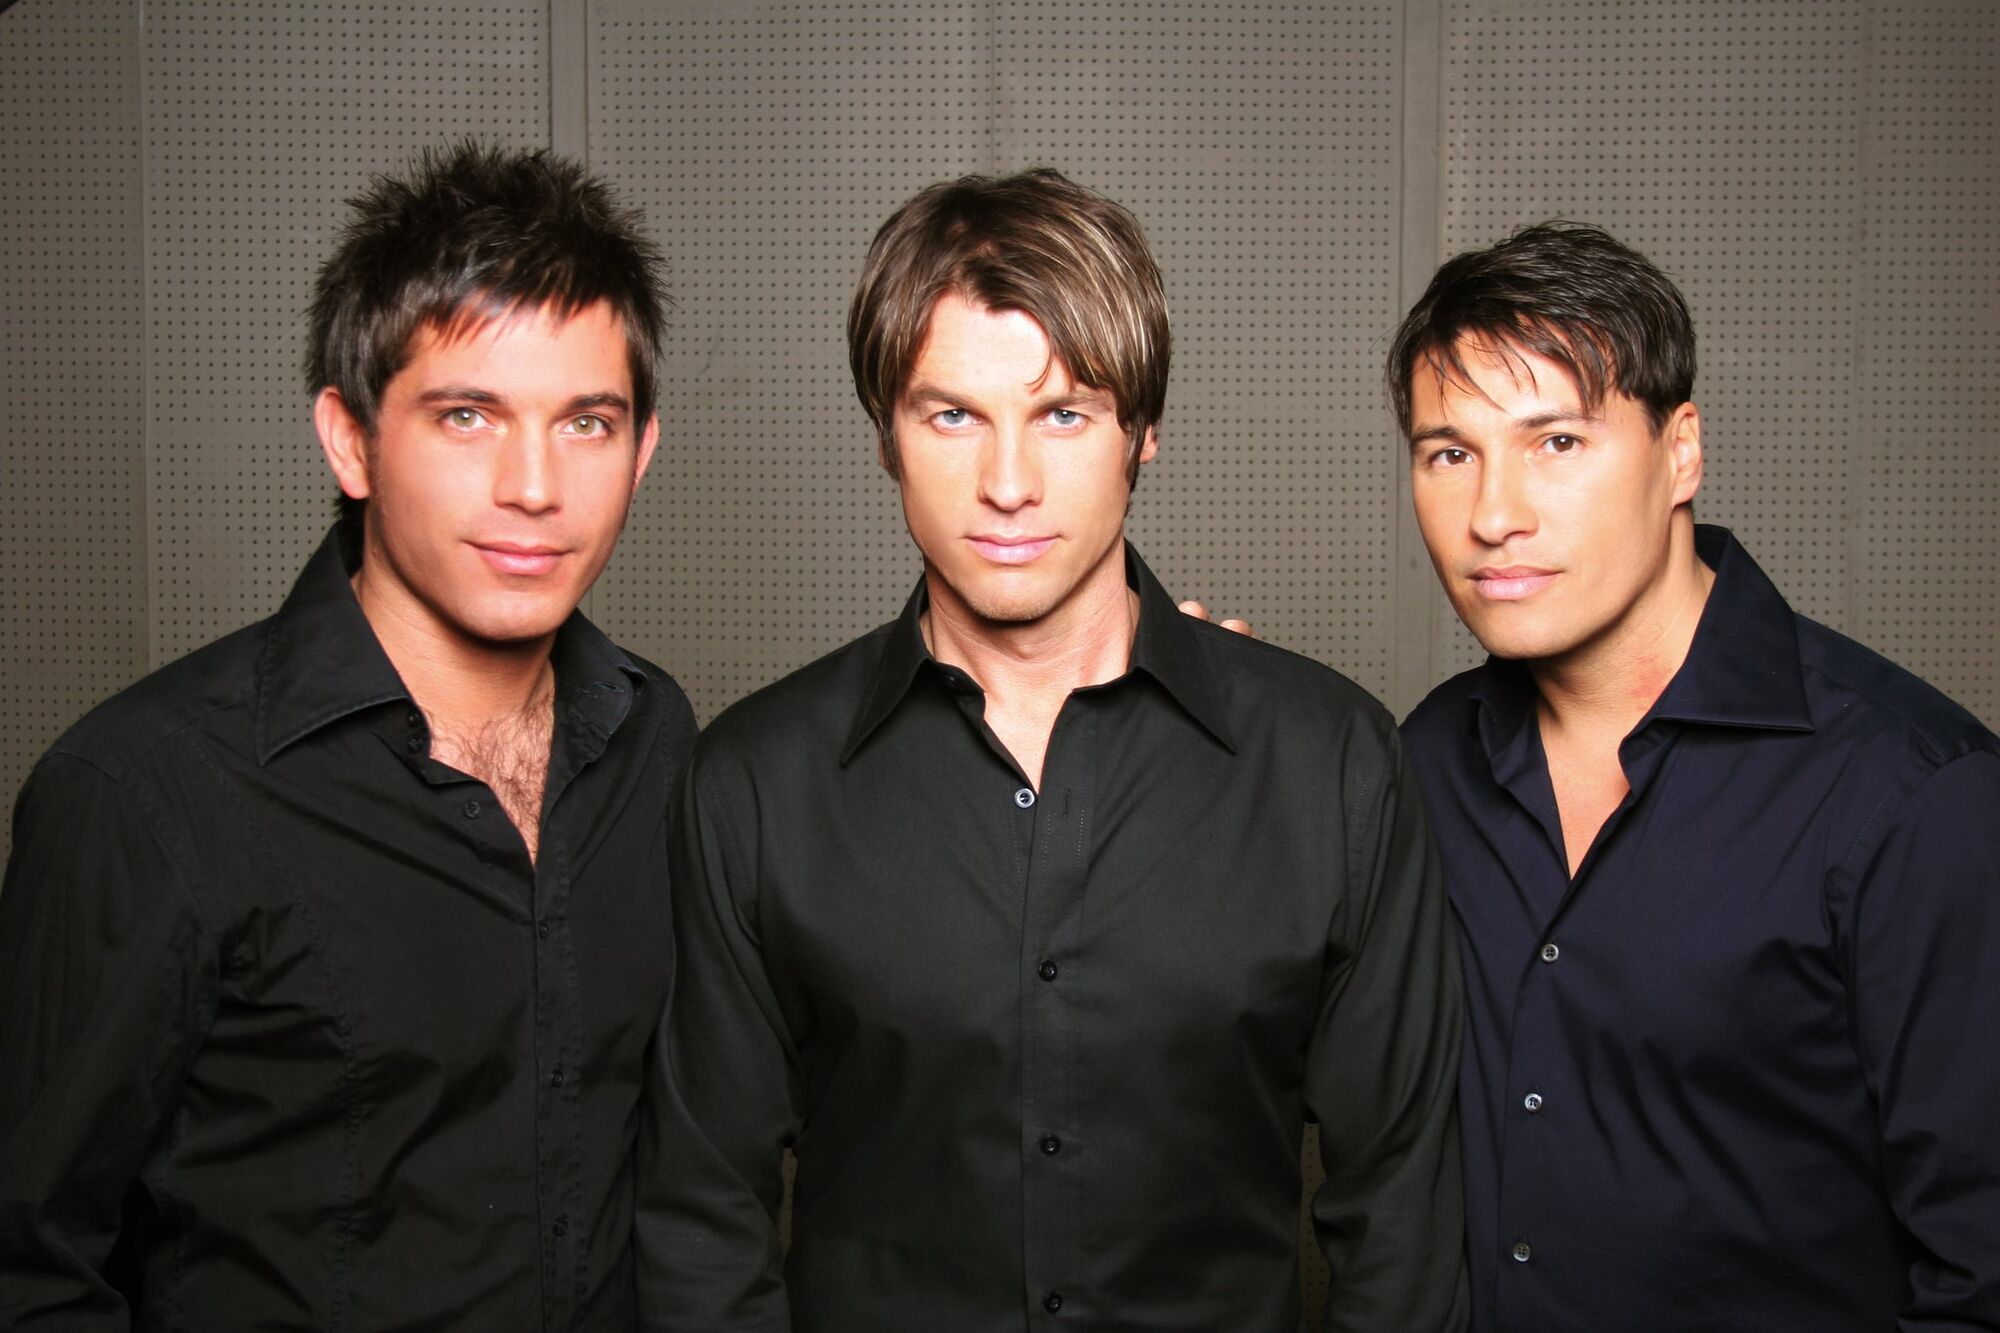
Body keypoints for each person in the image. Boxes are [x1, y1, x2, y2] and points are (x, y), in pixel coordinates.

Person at [635, 168, 1467, 1332]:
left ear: (1143, 434)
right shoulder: (756, 782)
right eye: (951, 415)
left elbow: (1402, 1222)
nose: (1007, 484)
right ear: (886, 437)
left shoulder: (1327, 765)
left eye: (1063, 414)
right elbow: (699, 1222)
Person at [0, 143, 696, 1328]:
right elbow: (29, 1267)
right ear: (350, 439)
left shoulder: (654, 737)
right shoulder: (145, 789)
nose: (534, 486)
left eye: (586, 422)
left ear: (640, 452)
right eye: (467, 415)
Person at [1391, 222, 2000, 1330]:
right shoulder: (1427, 759)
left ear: (1680, 452)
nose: (1493, 514)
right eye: (1448, 453)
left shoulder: (1912, 792)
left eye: (1556, 441)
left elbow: (1981, 1267)